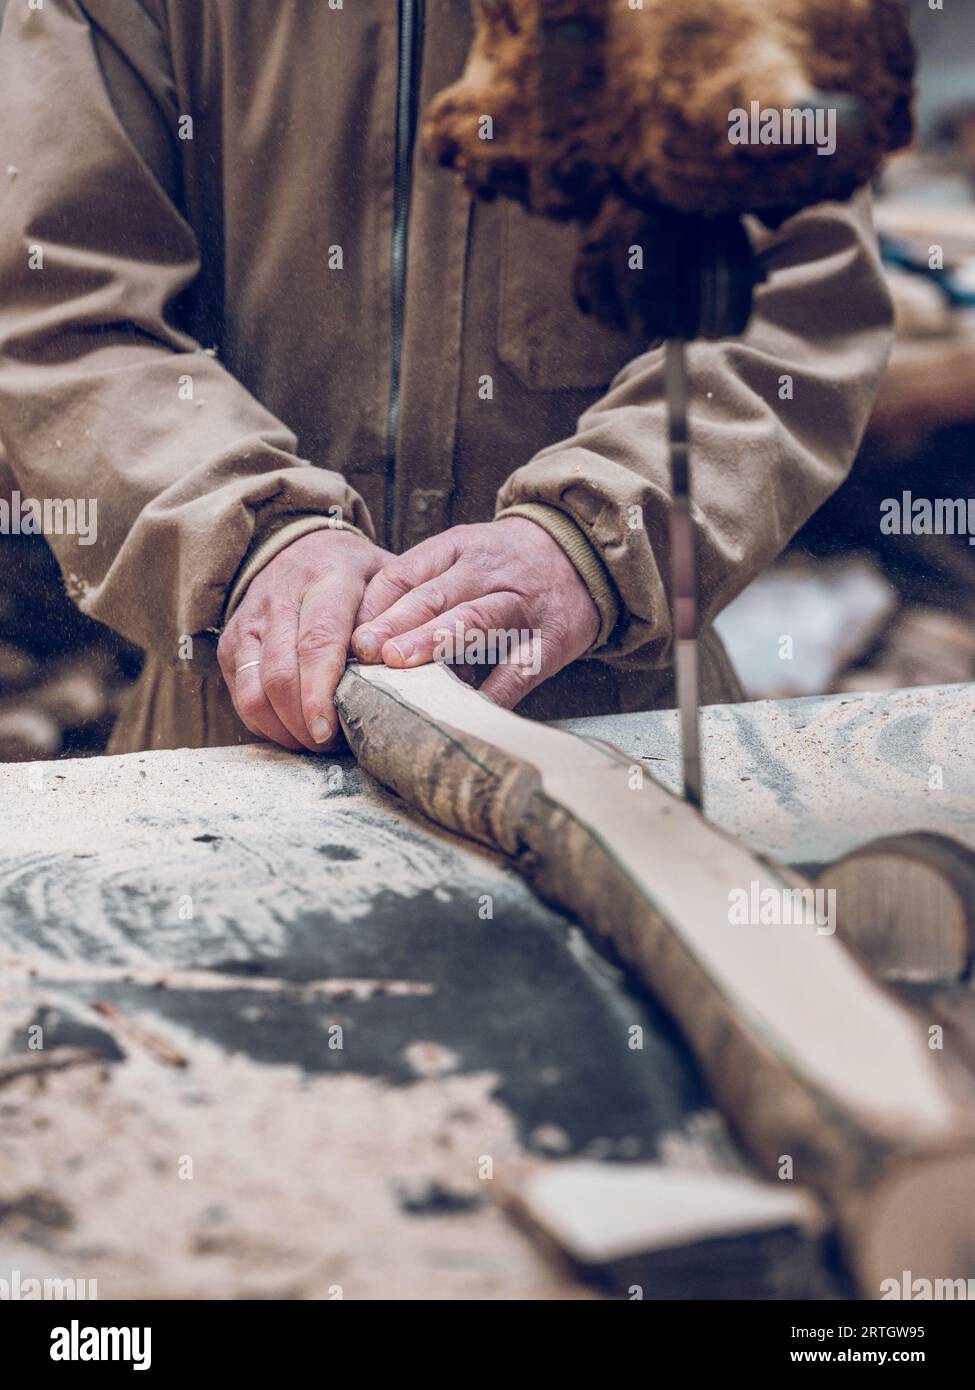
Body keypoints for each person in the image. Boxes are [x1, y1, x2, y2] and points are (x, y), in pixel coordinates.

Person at [0, 0, 894, 755]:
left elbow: (794, 295)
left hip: (622, 730)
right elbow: (62, 301)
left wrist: (595, 539)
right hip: (238, 734)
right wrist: (248, 539)